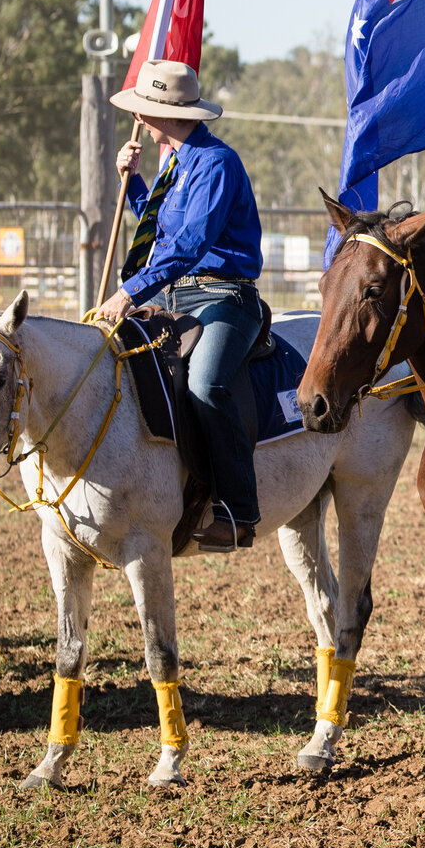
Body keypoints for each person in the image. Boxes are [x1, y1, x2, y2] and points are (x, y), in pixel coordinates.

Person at [95, 60, 265, 552]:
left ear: (164, 114)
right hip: (175, 295)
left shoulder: (216, 163)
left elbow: (190, 243)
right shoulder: (177, 160)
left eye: (146, 110)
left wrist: (128, 293)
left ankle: (238, 512)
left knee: (205, 384)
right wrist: (137, 186)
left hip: (224, 297)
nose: (141, 119)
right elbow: (165, 229)